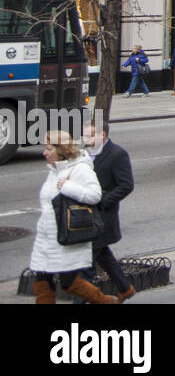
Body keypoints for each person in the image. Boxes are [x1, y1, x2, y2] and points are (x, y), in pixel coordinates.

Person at [29, 130, 117, 304]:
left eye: (49, 149)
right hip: (46, 239)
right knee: (41, 280)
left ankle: (104, 301)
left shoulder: (80, 169)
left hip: (67, 239)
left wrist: (68, 187)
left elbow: (95, 195)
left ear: (61, 150)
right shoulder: (53, 170)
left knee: (69, 282)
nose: (44, 153)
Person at [80, 115, 135, 301]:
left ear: (103, 135)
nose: (86, 140)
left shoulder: (117, 154)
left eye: (89, 136)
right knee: (103, 255)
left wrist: (103, 201)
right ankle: (125, 288)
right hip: (86, 216)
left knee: (85, 265)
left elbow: (126, 185)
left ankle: (79, 299)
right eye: (84, 136)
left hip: (103, 217)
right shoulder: (84, 154)